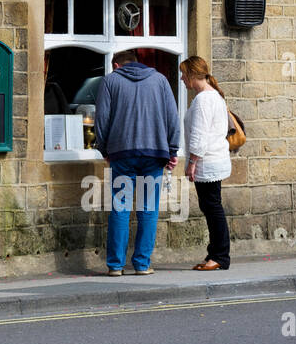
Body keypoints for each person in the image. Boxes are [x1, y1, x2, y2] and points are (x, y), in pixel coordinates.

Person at [93, 49, 180, 275]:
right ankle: (142, 264)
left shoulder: (110, 81)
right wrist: (172, 150)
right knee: (148, 208)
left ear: (117, 65)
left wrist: (104, 148)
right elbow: (173, 116)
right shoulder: (160, 80)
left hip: (122, 153)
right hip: (153, 153)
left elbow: (101, 119)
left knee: (120, 208)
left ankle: (115, 266)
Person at [179, 55, 231, 271]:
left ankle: (220, 256)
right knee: (212, 207)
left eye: (183, 74)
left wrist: (192, 163)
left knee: (212, 208)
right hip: (215, 159)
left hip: (207, 161)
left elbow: (199, 136)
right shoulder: (214, 96)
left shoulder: (202, 100)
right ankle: (216, 254)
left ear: (192, 75)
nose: (181, 79)